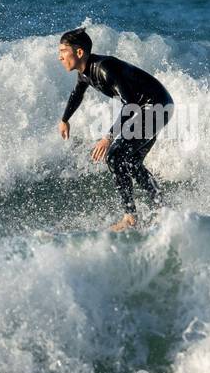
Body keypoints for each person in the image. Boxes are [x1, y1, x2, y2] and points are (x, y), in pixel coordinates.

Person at [56, 27, 174, 231]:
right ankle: (163, 208)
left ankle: (130, 217)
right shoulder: (85, 73)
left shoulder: (104, 68)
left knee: (114, 156)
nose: (60, 57)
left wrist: (108, 137)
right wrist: (65, 119)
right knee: (133, 162)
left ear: (79, 52)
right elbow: (77, 93)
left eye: (63, 51)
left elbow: (130, 104)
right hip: (154, 107)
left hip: (155, 106)